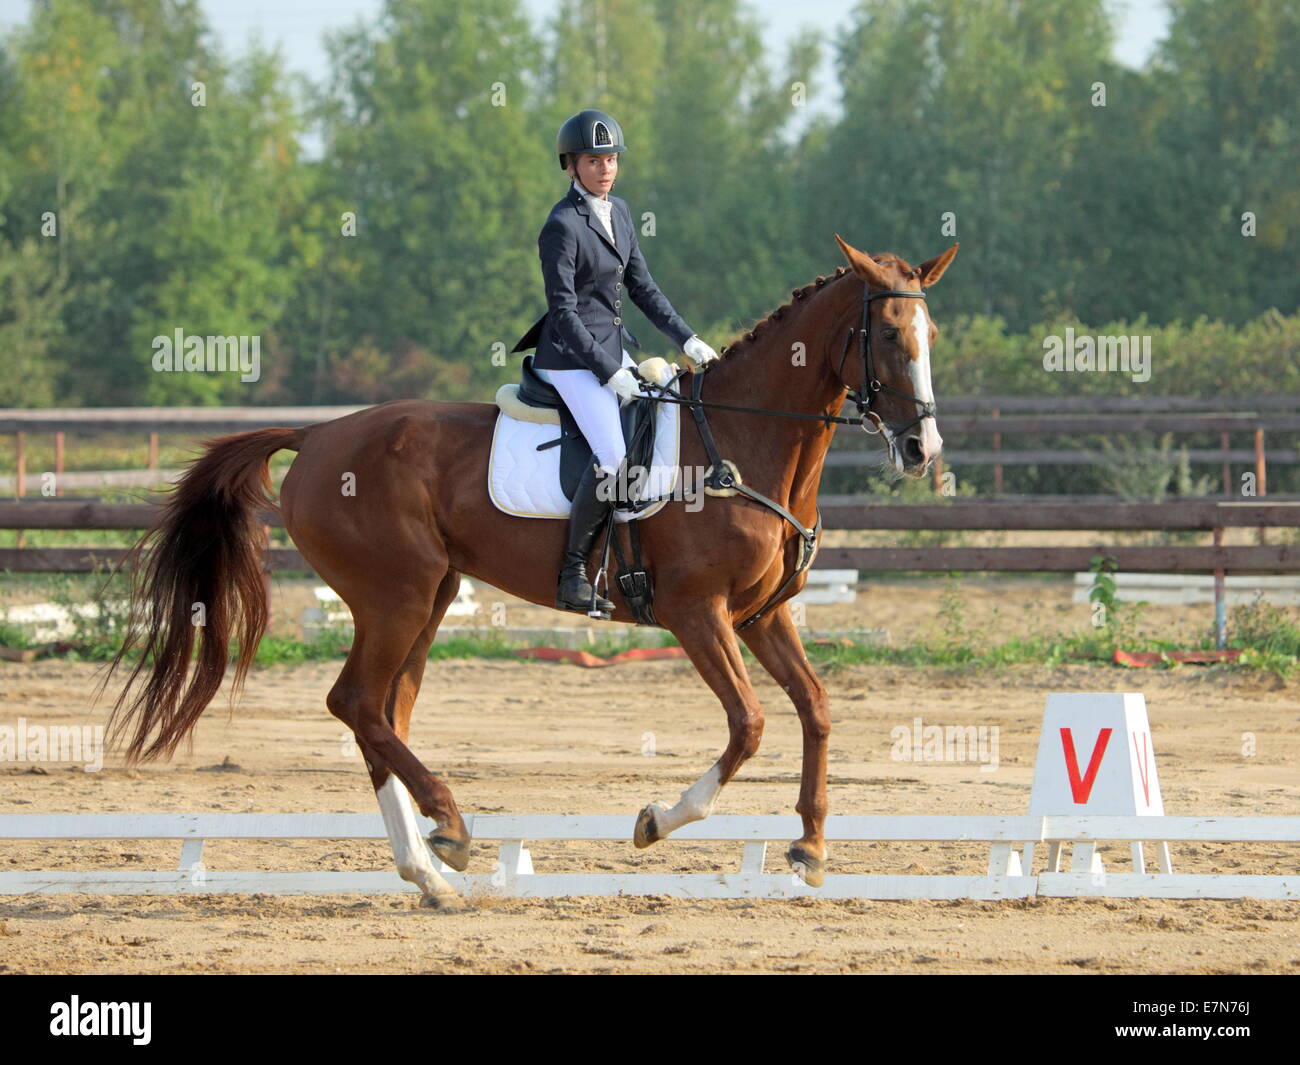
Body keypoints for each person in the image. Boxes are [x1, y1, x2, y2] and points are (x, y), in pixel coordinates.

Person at [512, 108, 719, 615]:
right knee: (614, 459)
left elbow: (642, 288)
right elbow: (562, 313)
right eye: (593, 159)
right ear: (571, 166)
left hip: (612, 351)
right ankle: (573, 572)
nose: (605, 167)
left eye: (611, 158)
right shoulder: (561, 225)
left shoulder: (620, 212)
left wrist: (687, 339)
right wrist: (610, 372)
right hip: (570, 359)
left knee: (657, 425)